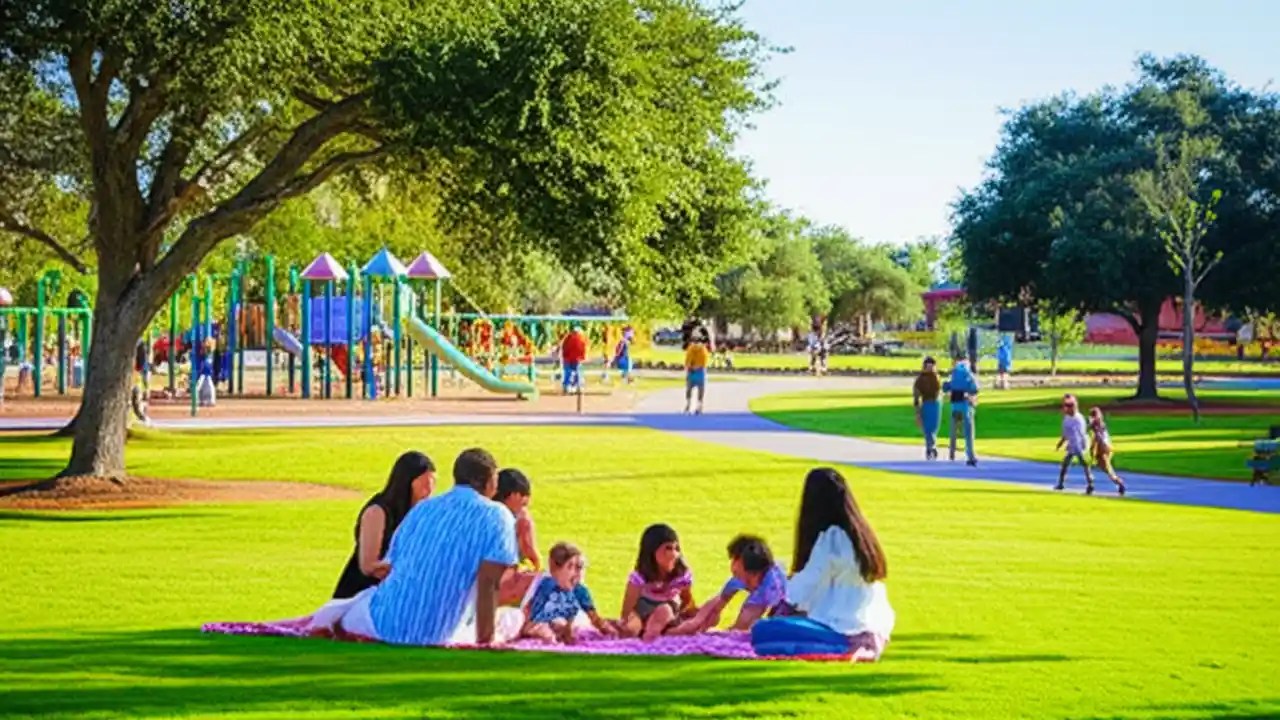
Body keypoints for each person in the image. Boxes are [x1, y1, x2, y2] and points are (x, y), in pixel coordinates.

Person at [330, 448, 518, 646]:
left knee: (344, 611)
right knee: (513, 618)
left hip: (384, 622)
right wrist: (485, 641)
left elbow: (394, 565)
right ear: (489, 481)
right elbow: (489, 582)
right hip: (440, 633)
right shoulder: (498, 516)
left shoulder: (422, 509)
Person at [750, 468, 894, 660]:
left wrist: (781, 584)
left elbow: (802, 589)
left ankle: (840, 650)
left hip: (843, 630)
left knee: (763, 631)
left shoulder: (831, 539)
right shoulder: (859, 538)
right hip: (872, 627)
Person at [332, 451, 437, 599]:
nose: (429, 491)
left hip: (397, 592)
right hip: (362, 594)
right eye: (424, 484)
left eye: (433, 484)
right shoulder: (377, 512)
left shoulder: (421, 514)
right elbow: (368, 566)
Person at [682, 534, 789, 633]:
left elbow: (742, 626)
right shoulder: (742, 576)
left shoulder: (769, 587)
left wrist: (720, 635)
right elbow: (719, 602)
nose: (732, 565)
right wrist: (698, 621)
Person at [520, 542, 618, 644]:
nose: (578, 574)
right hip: (541, 623)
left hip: (564, 624)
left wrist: (608, 629)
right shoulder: (547, 585)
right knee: (547, 628)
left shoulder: (579, 590)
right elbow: (532, 613)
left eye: (580, 568)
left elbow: (593, 616)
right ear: (555, 569)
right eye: (571, 567)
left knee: (575, 627)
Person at [620, 523, 698, 641]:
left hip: (668, 608)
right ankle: (652, 633)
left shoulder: (681, 575)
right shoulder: (639, 577)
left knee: (664, 612)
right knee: (630, 629)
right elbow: (627, 610)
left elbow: (687, 600)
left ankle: (652, 636)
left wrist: (691, 615)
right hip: (643, 609)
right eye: (668, 548)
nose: (673, 554)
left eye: (676, 549)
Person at [495, 468, 542, 605]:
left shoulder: (481, 513)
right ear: (514, 495)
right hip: (502, 589)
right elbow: (531, 555)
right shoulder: (520, 519)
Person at [1055, 394, 1095, 494]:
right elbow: (1066, 433)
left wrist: (1082, 446)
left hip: (1079, 445)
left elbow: (1081, 434)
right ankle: (1061, 483)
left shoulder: (1078, 419)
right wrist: (1061, 443)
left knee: (1083, 463)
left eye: (1067, 406)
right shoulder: (1067, 419)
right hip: (1072, 444)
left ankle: (1090, 483)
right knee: (1065, 464)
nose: (1065, 409)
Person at [944, 358, 979, 466]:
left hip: (955, 405)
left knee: (953, 430)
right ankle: (970, 455)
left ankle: (952, 452)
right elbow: (975, 388)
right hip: (966, 405)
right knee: (969, 432)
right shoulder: (968, 374)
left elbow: (945, 387)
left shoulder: (954, 374)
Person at [1088, 407, 1127, 495]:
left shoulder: (1096, 426)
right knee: (1101, 467)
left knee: (1107, 470)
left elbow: (1097, 438)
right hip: (1106, 448)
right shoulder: (1100, 424)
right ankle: (1090, 485)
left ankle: (1119, 483)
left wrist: (1092, 449)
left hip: (1103, 449)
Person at [912, 356, 943, 460]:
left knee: (934, 427)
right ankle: (931, 447)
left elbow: (938, 390)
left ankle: (931, 447)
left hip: (936, 403)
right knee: (927, 428)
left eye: (932, 366)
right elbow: (916, 395)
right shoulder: (920, 379)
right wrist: (917, 411)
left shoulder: (936, 377)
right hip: (926, 403)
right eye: (928, 366)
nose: (930, 368)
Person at [684, 331, 710, 415]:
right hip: (694, 371)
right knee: (691, 389)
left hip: (698, 371)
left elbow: (704, 362)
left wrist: (692, 367)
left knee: (697, 389)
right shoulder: (691, 349)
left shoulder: (702, 349)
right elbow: (687, 360)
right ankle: (690, 404)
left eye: (696, 339)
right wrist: (689, 368)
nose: (695, 341)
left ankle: (698, 405)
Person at [560, 325, 588, 394]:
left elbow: (583, 349)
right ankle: (572, 386)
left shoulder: (573, 338)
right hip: (571, 359)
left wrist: (582, 357)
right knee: (572, 372)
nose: (576, 334)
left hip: (573, 359)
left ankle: (572, 386)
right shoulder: (578, 338)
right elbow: (583, 349)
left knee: (574, 372)